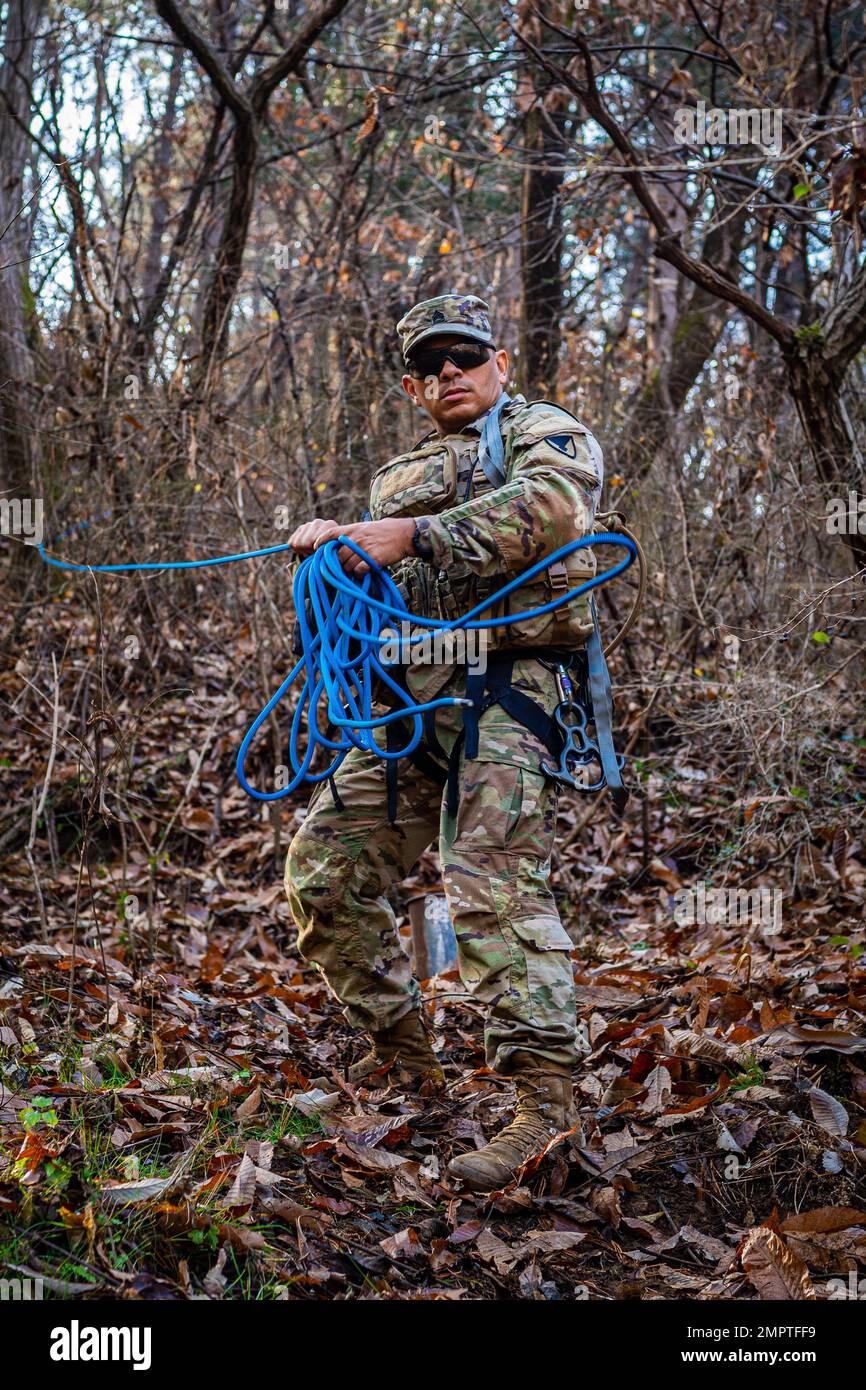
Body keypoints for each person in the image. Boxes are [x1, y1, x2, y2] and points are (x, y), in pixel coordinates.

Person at [284, 293, 604, 1191]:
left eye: (464, 355)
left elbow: (553, 512)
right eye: (430, 366)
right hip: (408, 697)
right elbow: (375, 575)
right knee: (323, 870)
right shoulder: (398, 475)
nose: (449, 374)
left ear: (499, 361)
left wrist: (414, 534)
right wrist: (335, 546)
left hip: (513, 685)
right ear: (411, 387)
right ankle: (409, 1066)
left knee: (487, 881)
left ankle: (546, 1108)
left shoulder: (545, 432)